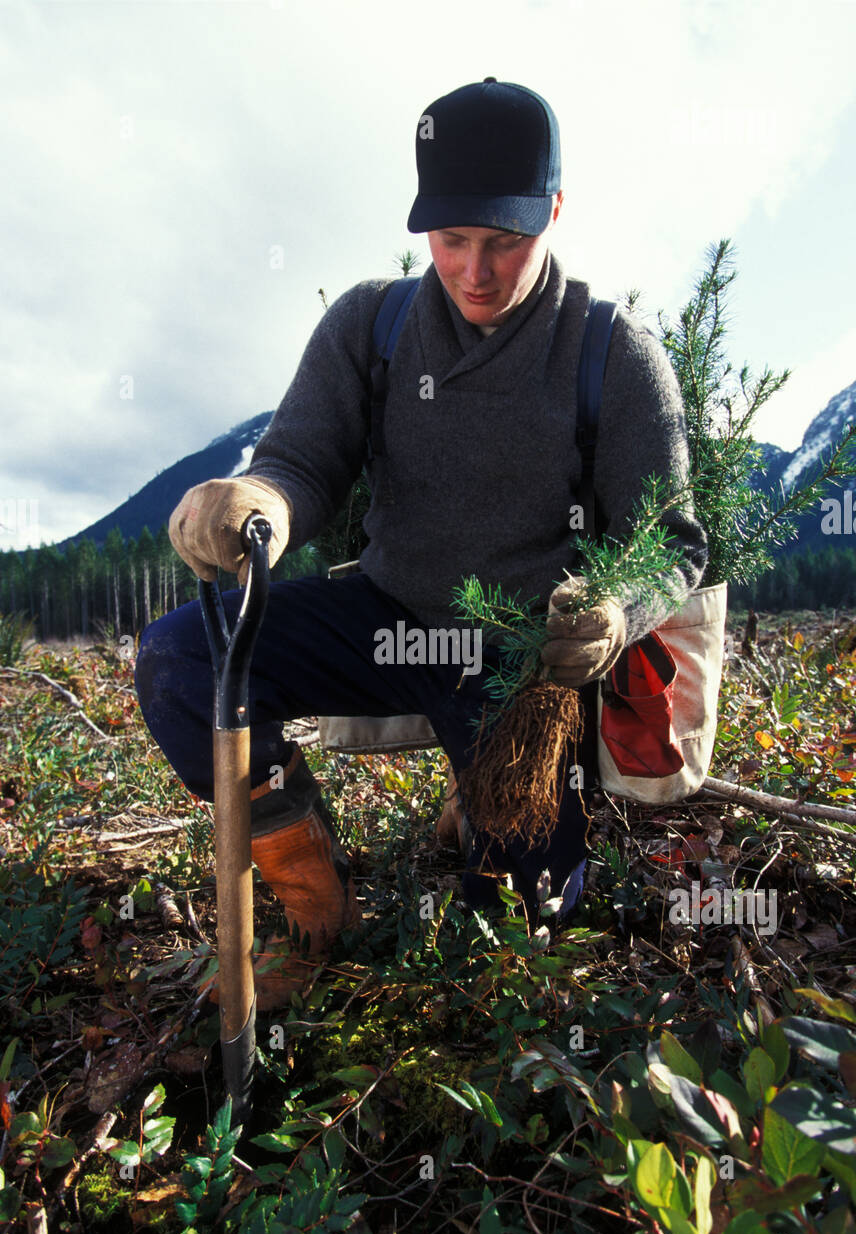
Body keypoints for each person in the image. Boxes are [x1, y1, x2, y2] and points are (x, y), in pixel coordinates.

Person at [135, 78, 707, 1006]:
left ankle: (485, 808)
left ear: (553, 212)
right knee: (178, 660)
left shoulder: (612, 351)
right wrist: (260, 507)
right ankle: (312, 896)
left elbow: (671, 541)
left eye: (505, 242)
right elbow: (302, 464)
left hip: (521, 663)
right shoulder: (376, 324)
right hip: (388, 616)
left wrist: (615, 610)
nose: (475, 272)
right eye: (451, 242)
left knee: (520, 931)